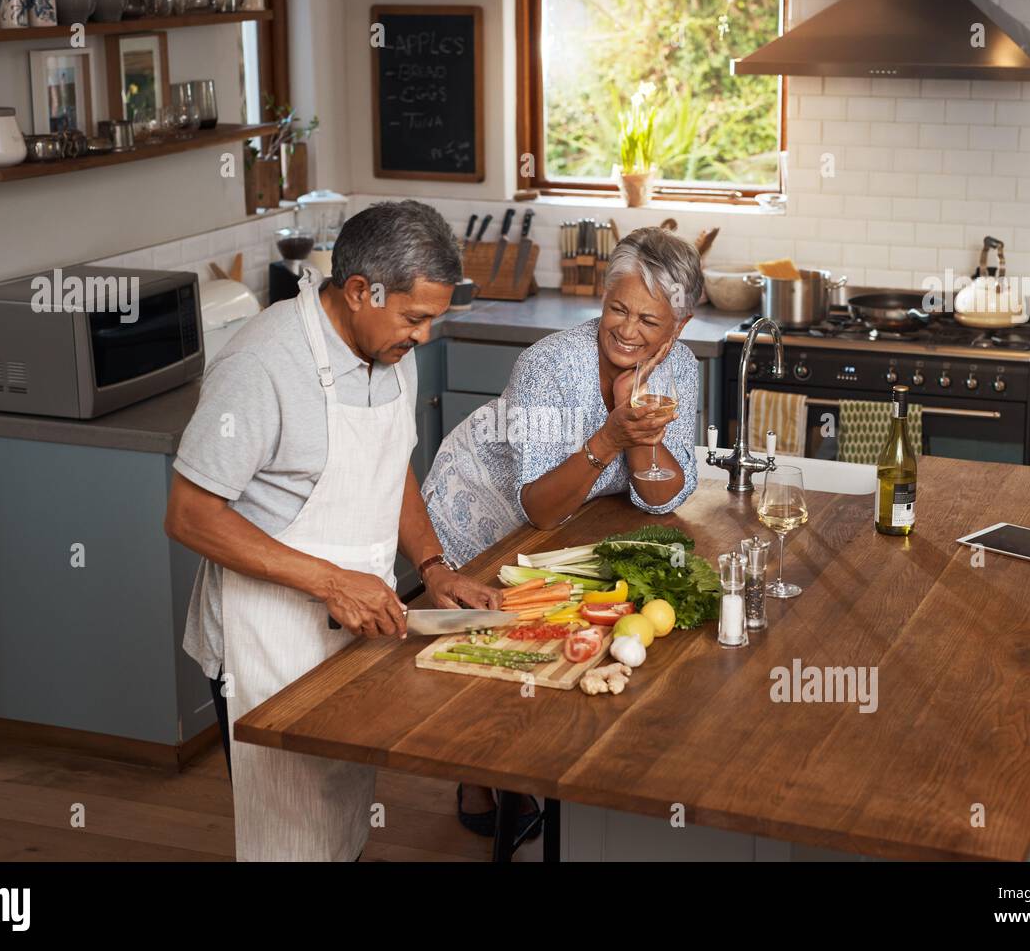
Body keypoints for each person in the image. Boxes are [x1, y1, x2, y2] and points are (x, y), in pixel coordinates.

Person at [165, 199, 500, 861]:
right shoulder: (261, 366)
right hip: (266, 644)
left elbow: (389, 462)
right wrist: (328, 580)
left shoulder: (391, 351)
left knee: (340, 817)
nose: (425, 336)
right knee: (287, 839)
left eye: (433, 318)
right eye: (416, 317)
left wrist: (433, 567)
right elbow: (188, 514)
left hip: (351, 632)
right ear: (357, 291)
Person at [421, 225, 703, 836]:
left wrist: (644, 436)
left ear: (679, 326)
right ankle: (481, 772)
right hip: (482, 503)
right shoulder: (549, 365)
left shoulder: (679, 369)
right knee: (498, 641)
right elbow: (538, 507)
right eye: (617, 310)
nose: (628, 330)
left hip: (564, 514)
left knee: (549, 635)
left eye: (649, 321)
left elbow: (664, 496)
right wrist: (611, 436)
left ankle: (526, 768)